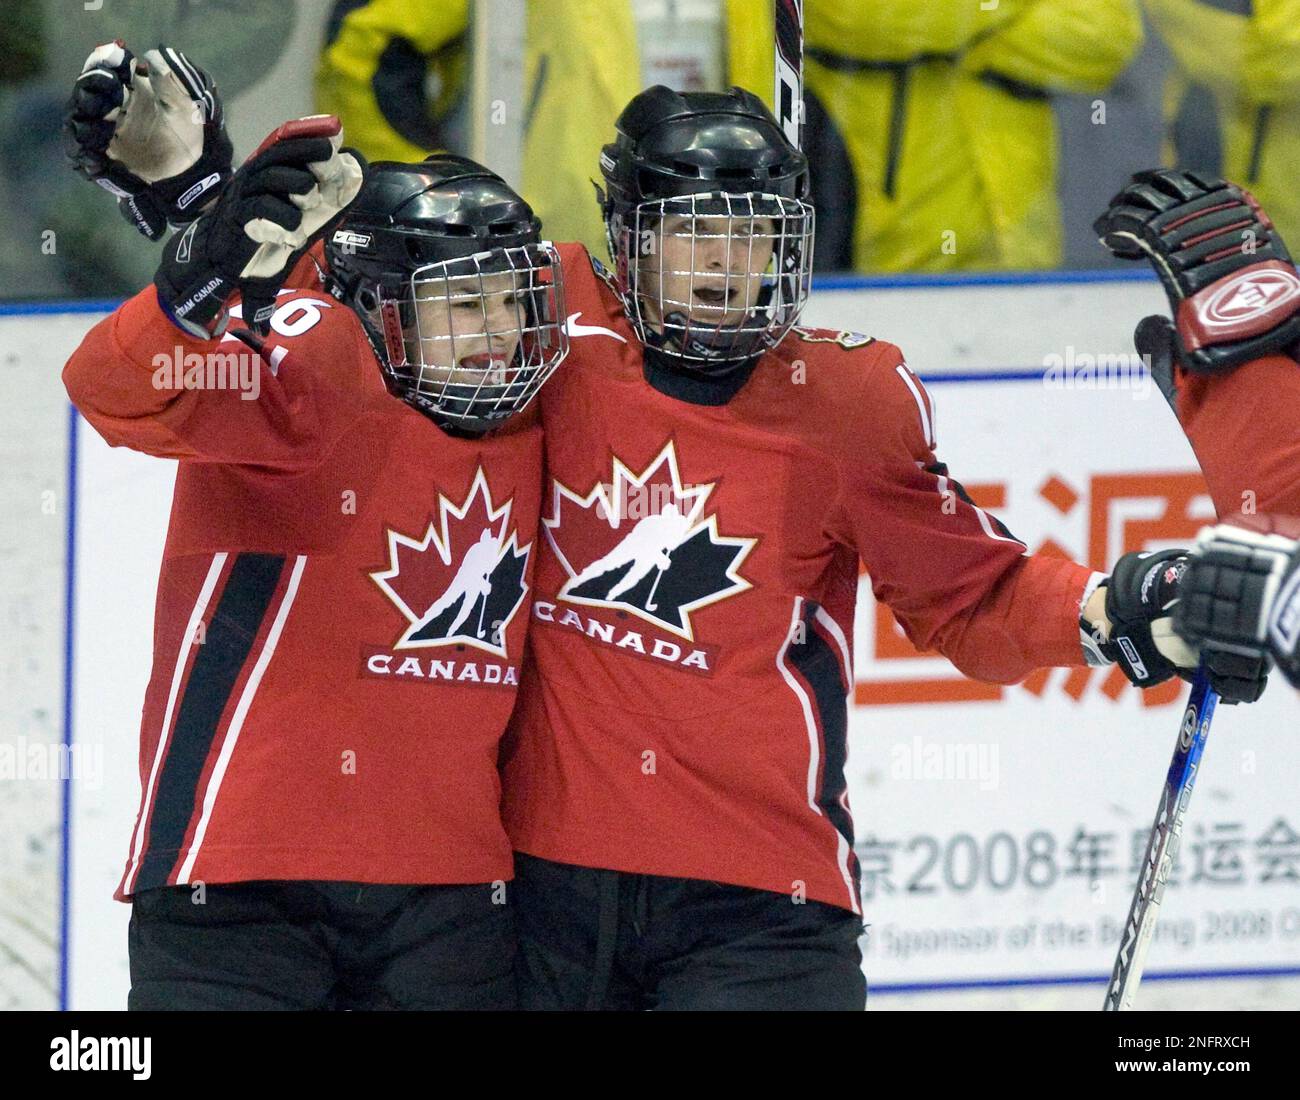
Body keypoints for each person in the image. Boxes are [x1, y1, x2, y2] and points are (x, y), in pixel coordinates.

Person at [500, 85, 1269, 1011]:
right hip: (535, 893)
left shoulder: (843, 398)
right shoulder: (543, 328)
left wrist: (1120, 615)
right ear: (625, 233)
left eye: (756, 233)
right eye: (692, 227)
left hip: (759, 910)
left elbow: (973, 597)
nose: (725, 259)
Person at [62, 44, 568, 1009]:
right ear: (377, 307)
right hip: (242, 893)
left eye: (514, 300)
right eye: (465, 305)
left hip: (456, 898)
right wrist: (194, 273)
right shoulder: (318, 361)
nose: (501, 329)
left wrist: (202, 201)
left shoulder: (549, 407)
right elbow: (113, 388)